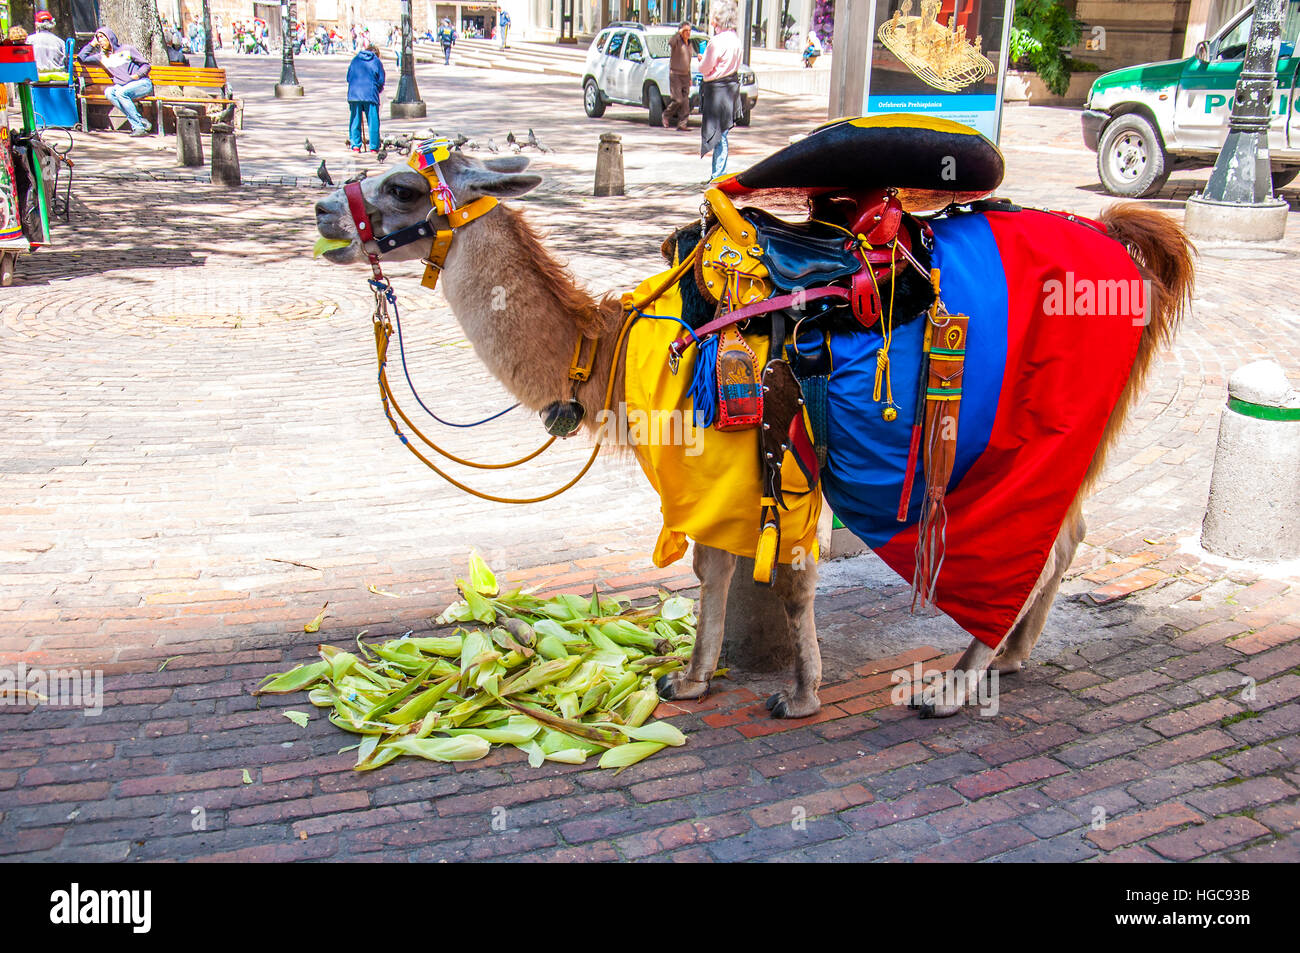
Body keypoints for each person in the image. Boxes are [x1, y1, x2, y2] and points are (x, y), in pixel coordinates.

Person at [77, 27, 153, 137]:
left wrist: (136, 75)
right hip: (122, 86)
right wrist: (92, 44)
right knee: (109, 92)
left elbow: (146, 65)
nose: (100, 41)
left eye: (102, 37)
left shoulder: (127, 49)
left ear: (109, 37)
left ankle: (139, 127)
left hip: (142, 83)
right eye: (98, 39)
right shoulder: (102, 57)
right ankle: (139, 120)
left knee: (120, 93)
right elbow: (81, 59)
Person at [697, 0, 743, 179]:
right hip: (730, 88)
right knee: (722, 132)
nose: (713, 24)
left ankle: (718, 173)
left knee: (718, 134)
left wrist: (701, 60)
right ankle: (718, 171)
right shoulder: (736, 41)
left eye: (714, 20)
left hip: (716, 90)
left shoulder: (717, 42)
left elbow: (704, 68)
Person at [346, 42, 385, 154]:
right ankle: (373, 147)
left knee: (355, 120)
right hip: (370, 93)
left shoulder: (355, 60)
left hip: (354, 93)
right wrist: (378, 90)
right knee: (373, 121)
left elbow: (348, 77)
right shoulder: (377, 62)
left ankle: (356, 146)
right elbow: (381, 80)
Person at [661, 20, 692, 131]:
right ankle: (666, 115)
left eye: (689, 31)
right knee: (678, 100)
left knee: (685, 102)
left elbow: (688, 62)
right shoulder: (677, 41)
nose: (688, 33)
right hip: (676, 75)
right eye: (685, 31)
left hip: (685, 75)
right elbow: (670, 42)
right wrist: (678, 33)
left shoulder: (689, 43)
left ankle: (682, 124)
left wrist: (689, 77)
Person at [30, 11, 67, 80]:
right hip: (58, 78)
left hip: (37, 78)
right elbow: (64, 60)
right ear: (52, 24)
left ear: (37, 25)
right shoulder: (60, 42)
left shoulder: (30, 40)